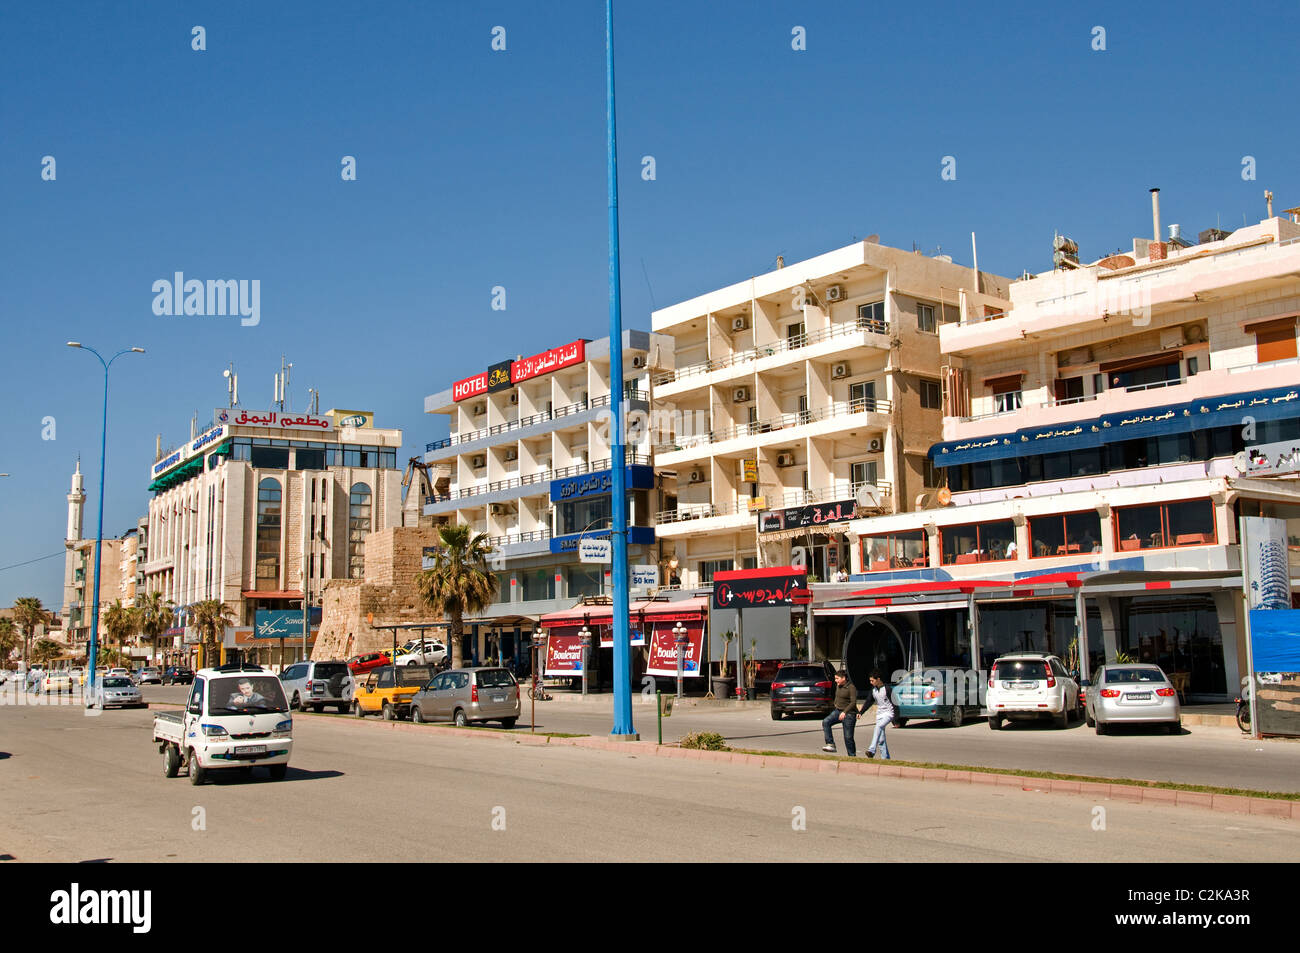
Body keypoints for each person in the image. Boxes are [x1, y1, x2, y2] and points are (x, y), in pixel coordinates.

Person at [858, 670, 896, 759]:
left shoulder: (887, 689)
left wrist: (896, 720)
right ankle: (886, 758)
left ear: (878, 679)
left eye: (872, 681)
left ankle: (871, 750)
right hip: (879, 715)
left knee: (878, 727)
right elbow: (868, 702)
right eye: (870, 681)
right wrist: (861, 712)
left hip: (888, 714)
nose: (871, 682)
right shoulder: (873, 690)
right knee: (881, 739)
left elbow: (895, 704)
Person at [821, 669, 858, 757]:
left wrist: (846, 712)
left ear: (843, 678)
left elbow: (853, 702)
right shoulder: (838, 685)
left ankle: (852, 756)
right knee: (826, 722)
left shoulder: (851, 687)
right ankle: (830, 744)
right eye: (835, 678)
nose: (836, 680)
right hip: (838, 711)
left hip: (849, 714)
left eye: (837, 678)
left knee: (848, 737)